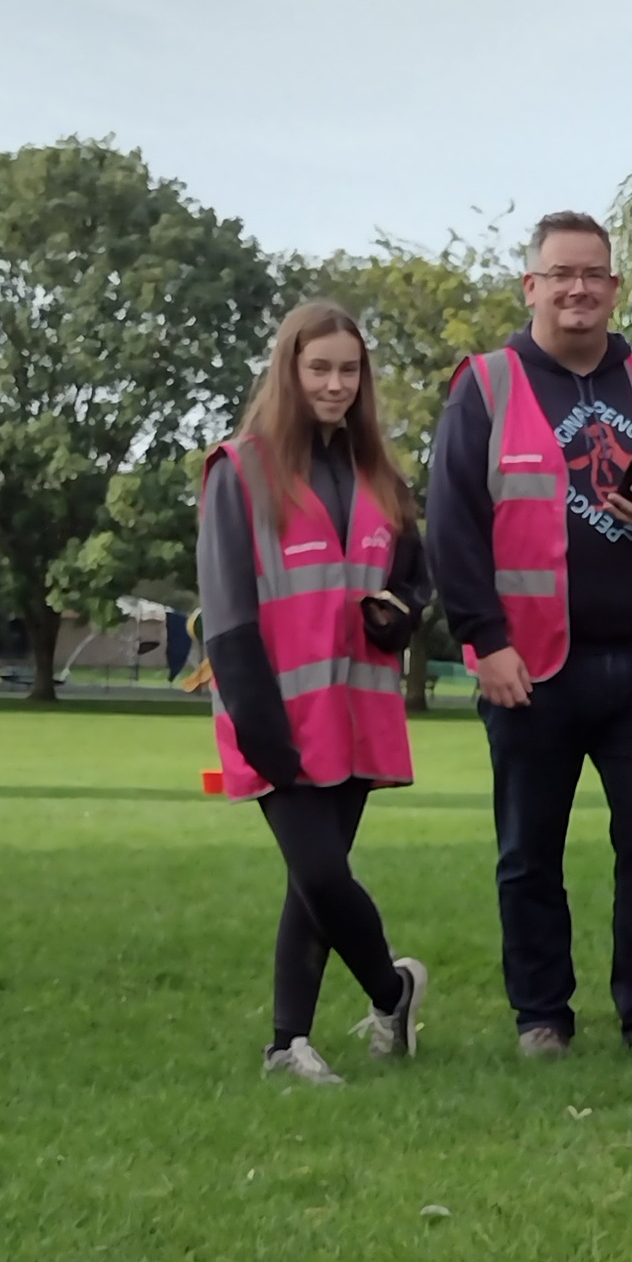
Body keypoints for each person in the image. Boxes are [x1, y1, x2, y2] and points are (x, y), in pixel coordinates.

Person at [427, 210, 632, 1059]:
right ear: (531, 286)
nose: (578, 289)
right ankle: (542, 1018)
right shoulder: (485, 386)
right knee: (529, 854)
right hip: (531, 668)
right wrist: (484, 642)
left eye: (593, 274)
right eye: (561, 274)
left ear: (614, 287)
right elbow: (452, 526)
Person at [197, 300, 431, 1085]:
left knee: (313, 883)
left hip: (360, 712)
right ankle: (392, 992)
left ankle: (284, 1045)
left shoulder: (381, 477)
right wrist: (260, 728)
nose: (335, 384)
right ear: (289, 372)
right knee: (324, 875)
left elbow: (412, 581)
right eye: (319, 368)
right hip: (278, 718)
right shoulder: (240, 470)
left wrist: (399, 613)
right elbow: (227, 615)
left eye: (349, 369)